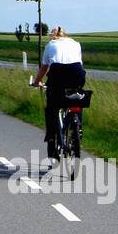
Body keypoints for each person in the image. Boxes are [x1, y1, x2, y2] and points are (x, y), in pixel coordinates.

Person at [29, 26, 85, 157]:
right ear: (65, 35)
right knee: (77, 97)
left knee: (52, 107)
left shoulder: (50, 45)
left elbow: (44, 67)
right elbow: (79, 63)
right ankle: (79, 126)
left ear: (52, 36)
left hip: (57, 73)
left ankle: (51, 137)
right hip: (77, 73)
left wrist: (37, 82)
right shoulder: (76, 44)